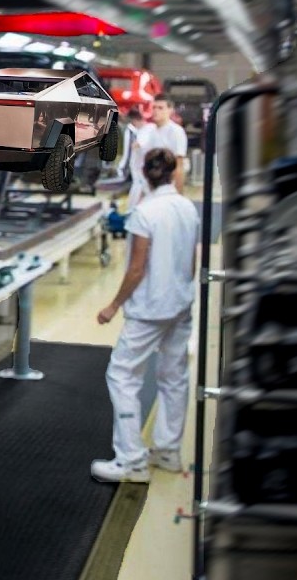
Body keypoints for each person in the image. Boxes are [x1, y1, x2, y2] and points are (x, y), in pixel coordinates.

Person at [91, 148, 200, 483]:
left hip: (150, 309)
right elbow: (192, 261)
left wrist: (112, 306)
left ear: (144, 172)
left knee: (122, 376)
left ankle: (131, 460)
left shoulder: (145, 212)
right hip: (181, 304)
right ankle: (168, 451)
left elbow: (137, 268)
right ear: (172, 172)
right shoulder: (187, 207)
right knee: (173, 376)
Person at [130, 96, 189, 205]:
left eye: (160, 108)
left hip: (166, 188)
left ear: (170, 110)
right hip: (145, 185)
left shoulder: (176, 132)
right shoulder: (148, 130)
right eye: (154, 108)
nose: (156, 111)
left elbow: (179, 167)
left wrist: (179, 197)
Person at [115, 107, 147, 197]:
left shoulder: (134, 131)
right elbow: (128, 152)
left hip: (131, 167)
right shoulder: (130, 131)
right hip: (130, 167)